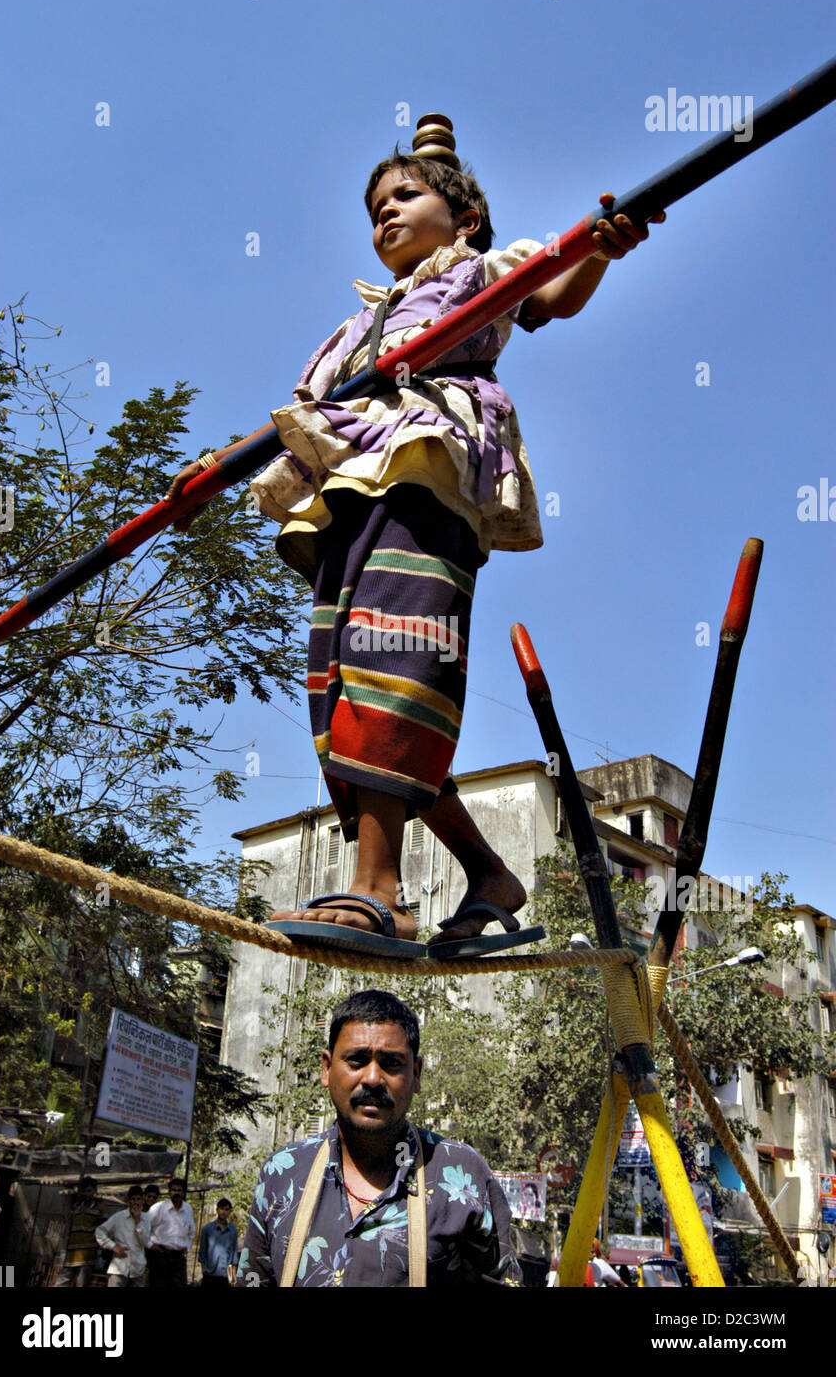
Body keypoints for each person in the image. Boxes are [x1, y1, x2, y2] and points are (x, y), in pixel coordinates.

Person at [166, 116, 662, 961]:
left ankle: (382, 892)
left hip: (428, 473)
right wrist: (216, 468)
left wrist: (601, 251)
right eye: (374, 206)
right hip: (350, 494)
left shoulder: (476, 272)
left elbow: (550, 297)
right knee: (342, 689)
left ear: (464, 218)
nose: (385, 215)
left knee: (400, 661)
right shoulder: (357, 328)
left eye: (406, 195)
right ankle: (488, 874)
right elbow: (302, 416)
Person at [236, 989, 521, 1287]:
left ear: (416, 1073)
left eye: (391, 1063)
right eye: (357, 1060)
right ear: (327, 1068)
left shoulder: (463, 1176)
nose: (373, 1078)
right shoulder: (283, 1172)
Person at [94, 1186, 151, 1288]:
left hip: (138, 1269)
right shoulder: (119, 1217)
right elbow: (99, 1231)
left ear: (143, 1200)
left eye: (138, 1199)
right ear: (129, 1201)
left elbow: (145, 1242)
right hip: (119, 1268)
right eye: (133, 1199)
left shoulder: (146, 1218)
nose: (136, 1202)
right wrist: (113, 1246)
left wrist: (138, 1221)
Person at [54, 1175, 106, 1288]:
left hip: (87, 1255)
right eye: (84, 1191)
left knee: (82, 1283)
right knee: (62, 1283)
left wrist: (98, 1250)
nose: (87, 1194)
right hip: (71, 1254)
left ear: (94, 1191)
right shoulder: (76, 1207)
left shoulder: (100, 1209)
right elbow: (70, 1228)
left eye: (89, 1191)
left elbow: (103, 1231)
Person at [146, 1178, 196, 1287]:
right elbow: (142, 1228)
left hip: (178, 1257)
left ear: (183, 1192)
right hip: (160, 1256)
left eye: (179, 1190)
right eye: (174, 1190)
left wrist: (186, 1245)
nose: (176, 1193)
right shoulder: (158, 1208)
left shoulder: (188, 1209)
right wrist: (150, 1244)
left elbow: (192, 1231)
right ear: (169, 1192)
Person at [198, 1198, 239, 1288]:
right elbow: (202, 1254)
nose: (223, 1212)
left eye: (226, 1209)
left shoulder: (233, 1230)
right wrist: (204, 1273)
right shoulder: (207, 1229)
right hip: (209, 1276)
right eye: (221, 1209)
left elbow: (233, 1258)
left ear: (230, 1211)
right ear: (217, 1210)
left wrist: (232, 1281)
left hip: (225, 1276)